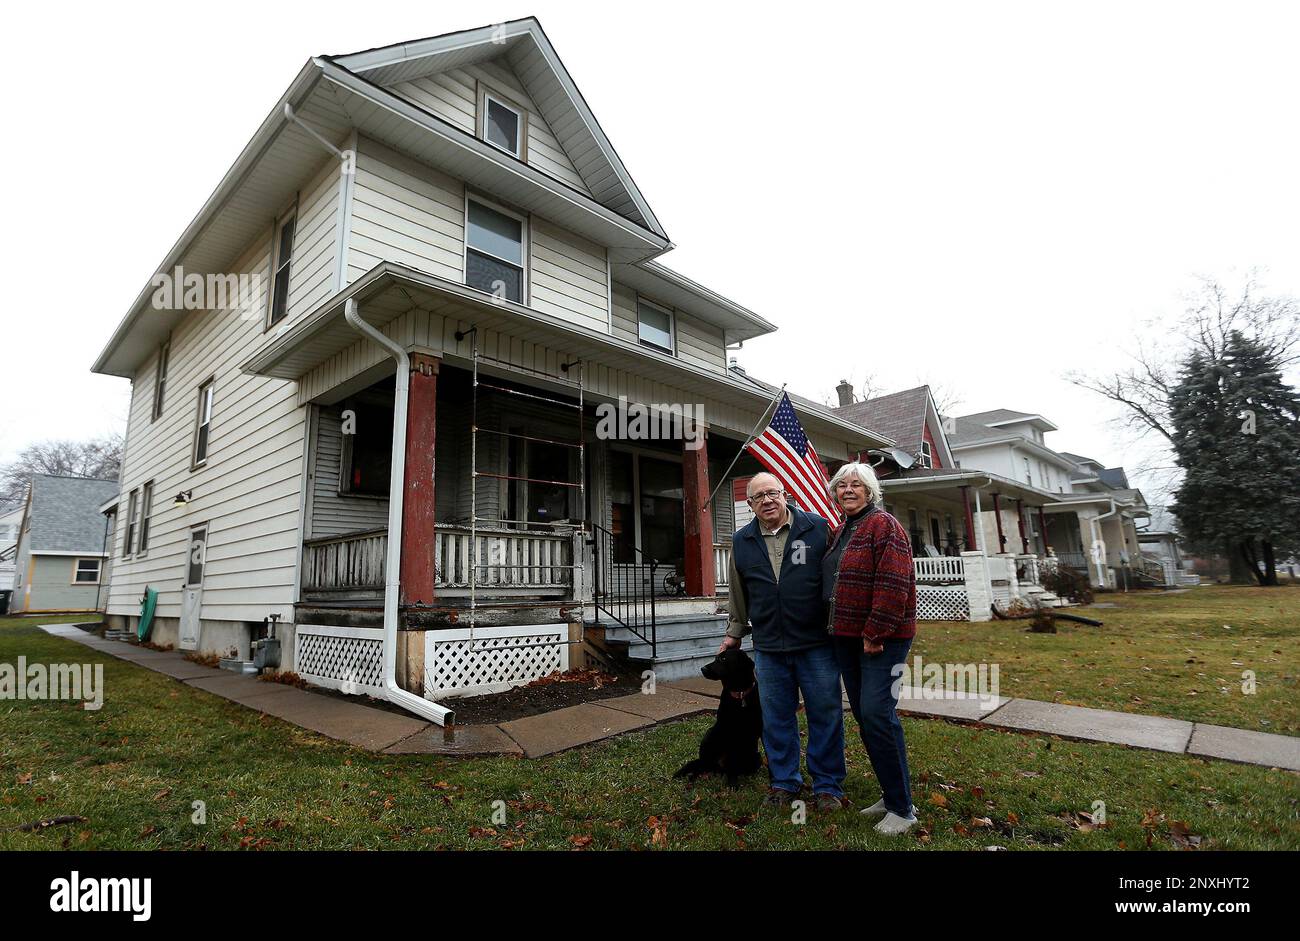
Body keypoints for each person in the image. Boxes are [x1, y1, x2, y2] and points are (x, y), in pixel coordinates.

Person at [720, 472, 846, 811]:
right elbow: (737, 590)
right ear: (750, 505)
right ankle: (784, 782)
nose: (767, 501)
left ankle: (828, 785)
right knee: (776, 717)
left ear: (785, 494)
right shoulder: (742, 540)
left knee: (825, 712)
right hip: (769, 647)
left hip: (815, 642)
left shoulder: (817, 529)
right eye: (758, 497)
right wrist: (735, 631)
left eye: (772, 493)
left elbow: (837, 577)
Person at [824, 461, 919, 835]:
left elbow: (894, 584)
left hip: (882, 640)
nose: (848, 490)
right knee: (867, 718)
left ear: (870, 491)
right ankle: (892, 793)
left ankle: (902, 810)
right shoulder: (842, 530)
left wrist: (875, 633)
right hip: (847, 638)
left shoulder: (884, 526)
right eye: (842, 485)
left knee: (878, 715)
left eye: (856, 485)